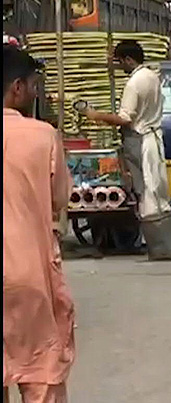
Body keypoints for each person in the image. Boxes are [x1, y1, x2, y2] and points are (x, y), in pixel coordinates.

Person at [3, 45, 75, 403]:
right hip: (29, 277)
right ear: (16, 88)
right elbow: (60, 198)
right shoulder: (43, 135)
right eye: (33, 85)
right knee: (41, 378)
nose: (35, 93)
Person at [84, 41, 171, 260]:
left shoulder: (134, 83)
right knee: (156, 188)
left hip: (138, 140)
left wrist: (96, 115)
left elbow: (125, 118)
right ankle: (163, 241)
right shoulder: (152, 77)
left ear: (128, 60)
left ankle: (155, 242)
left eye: (121, 63)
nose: (121, 67)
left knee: (143, 189)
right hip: (154, 136)